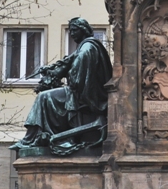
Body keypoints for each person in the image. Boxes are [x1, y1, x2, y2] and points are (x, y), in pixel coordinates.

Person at [12, 18, 112, 155]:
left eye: (74, 30)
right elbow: (70, 62)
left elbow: (77, 79)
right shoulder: (86, 46)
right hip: (80, 92)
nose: (71, 34)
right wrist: (55, 70)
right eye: (70, 31)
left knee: (44, 97)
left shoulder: (88, 48)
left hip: (83, 96)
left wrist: (65, 74)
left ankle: (32, 139)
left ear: (83, 30)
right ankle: (33, 138)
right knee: (46, 97)